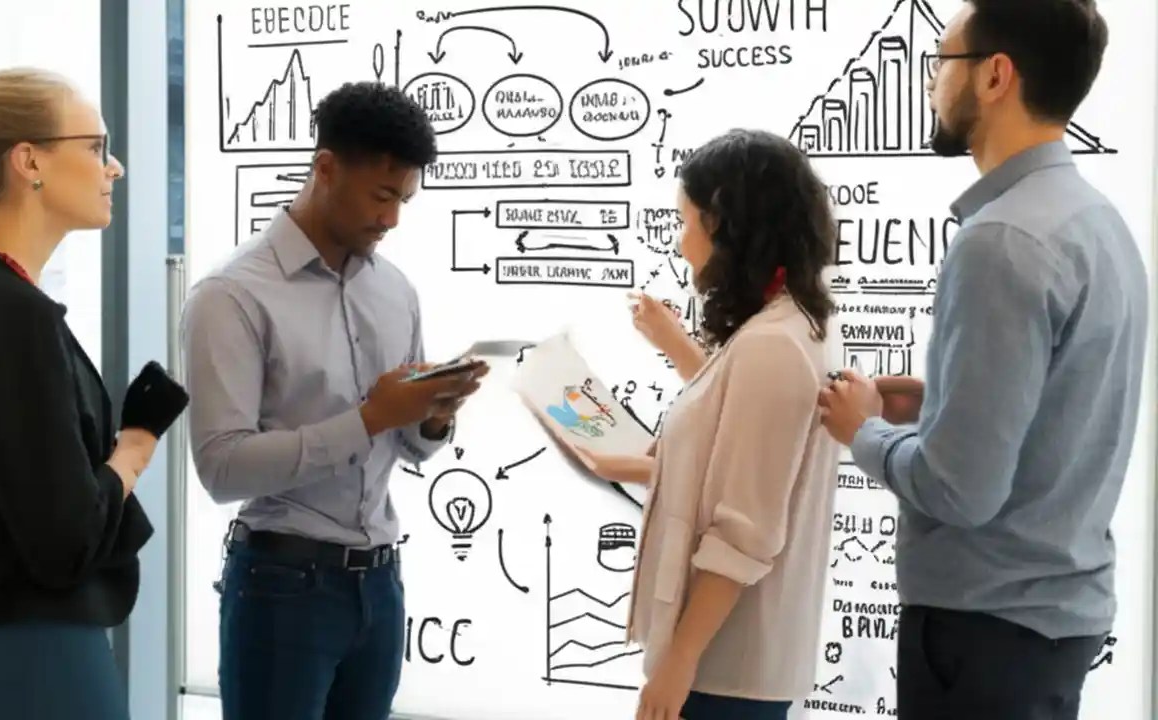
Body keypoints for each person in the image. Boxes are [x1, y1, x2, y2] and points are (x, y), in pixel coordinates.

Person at [817, 2, 1144, 718]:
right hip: (1045, 626)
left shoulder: (1002, 241)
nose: (931, 82)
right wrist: (942, 405)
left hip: (985, 636)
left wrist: (863, 430)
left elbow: (960, 491)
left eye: (942, 62)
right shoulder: (1098, 223)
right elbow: (1057, 416)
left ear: (996, 75)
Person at [182, 81, 487, 720]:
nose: (392, 218)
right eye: (382, 195)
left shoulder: (396, 290)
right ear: (325, 168)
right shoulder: (231, 295)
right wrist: (370, 417)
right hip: (281, 588)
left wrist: (431, 418)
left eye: (404, 199)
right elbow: (221, 469)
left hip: (380, 581)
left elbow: (409, 448)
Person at [0, 68, 190, 720]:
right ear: (29, 160)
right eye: (94, 147)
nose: (114, 168)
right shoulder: (7, 313)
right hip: (26, 644)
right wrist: (135, 444)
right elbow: (65, 541)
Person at [553, 128, 843, 720]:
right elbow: (736, 426)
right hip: (733, 660)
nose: (682, 245)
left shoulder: (774, 346)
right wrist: (673, 348)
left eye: (687, 223)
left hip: (725, 665)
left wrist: (678, 660)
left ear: (727, 227)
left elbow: (746, 530)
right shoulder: (793, 325)